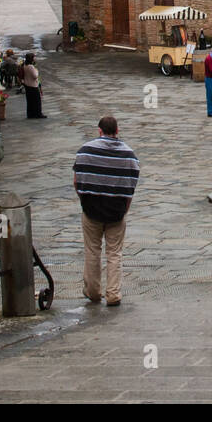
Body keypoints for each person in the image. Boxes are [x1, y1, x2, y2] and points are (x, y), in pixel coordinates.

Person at [73, 116, 139, 306]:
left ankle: (93, 292)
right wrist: (125, 208)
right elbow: (130, 188)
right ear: (117, 131)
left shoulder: (85, 151)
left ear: (99, 131)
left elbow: (77, 182)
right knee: (114, 253)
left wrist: (84, 201)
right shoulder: (129, 156)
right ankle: (113, 294)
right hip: (116, 211)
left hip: (91, 208)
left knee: (92, 251)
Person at [22, 52, 46, 118]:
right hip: (33, 85)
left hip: (27, 85)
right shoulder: (31, 67)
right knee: (37, 101)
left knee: (30, 101)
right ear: (31, 59)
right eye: (34, 57)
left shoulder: (25, 65)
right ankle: (38, 114)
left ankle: (30, 114)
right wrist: (37, 70)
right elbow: (35, 76)